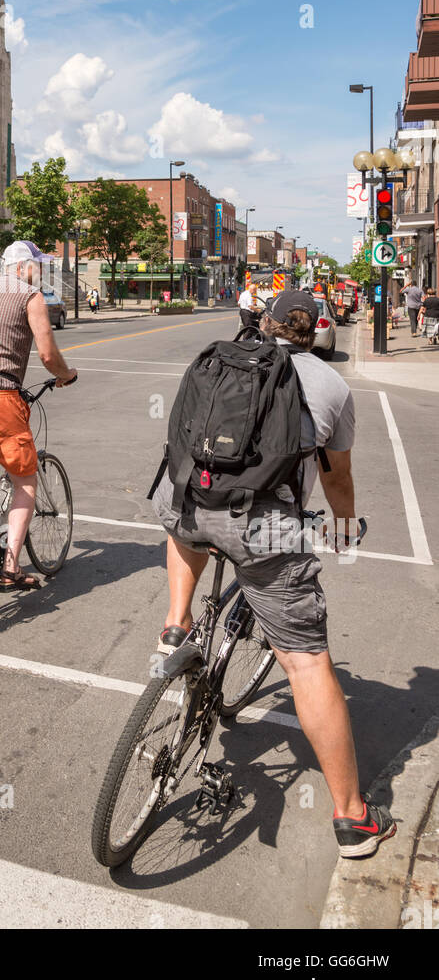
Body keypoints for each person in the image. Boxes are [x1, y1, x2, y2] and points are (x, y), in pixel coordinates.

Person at [150, 291, 396, 859]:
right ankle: (353, 819)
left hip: (183, 499)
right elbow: (336, 477)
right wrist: (342, 527)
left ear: (264, 322)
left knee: (185, 526)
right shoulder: (331, 386)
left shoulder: (218, 357)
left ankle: (176, 624)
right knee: (306, 661)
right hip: (264, 527)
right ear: (315, 334)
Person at [0, 240, 77, 592]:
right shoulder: (28, 297)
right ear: (23, 267)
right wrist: (67, 376)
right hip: (0, 395)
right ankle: (10, 567)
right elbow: (49, 356)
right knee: (25, 477)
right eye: (38, 266)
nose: (40, 272)